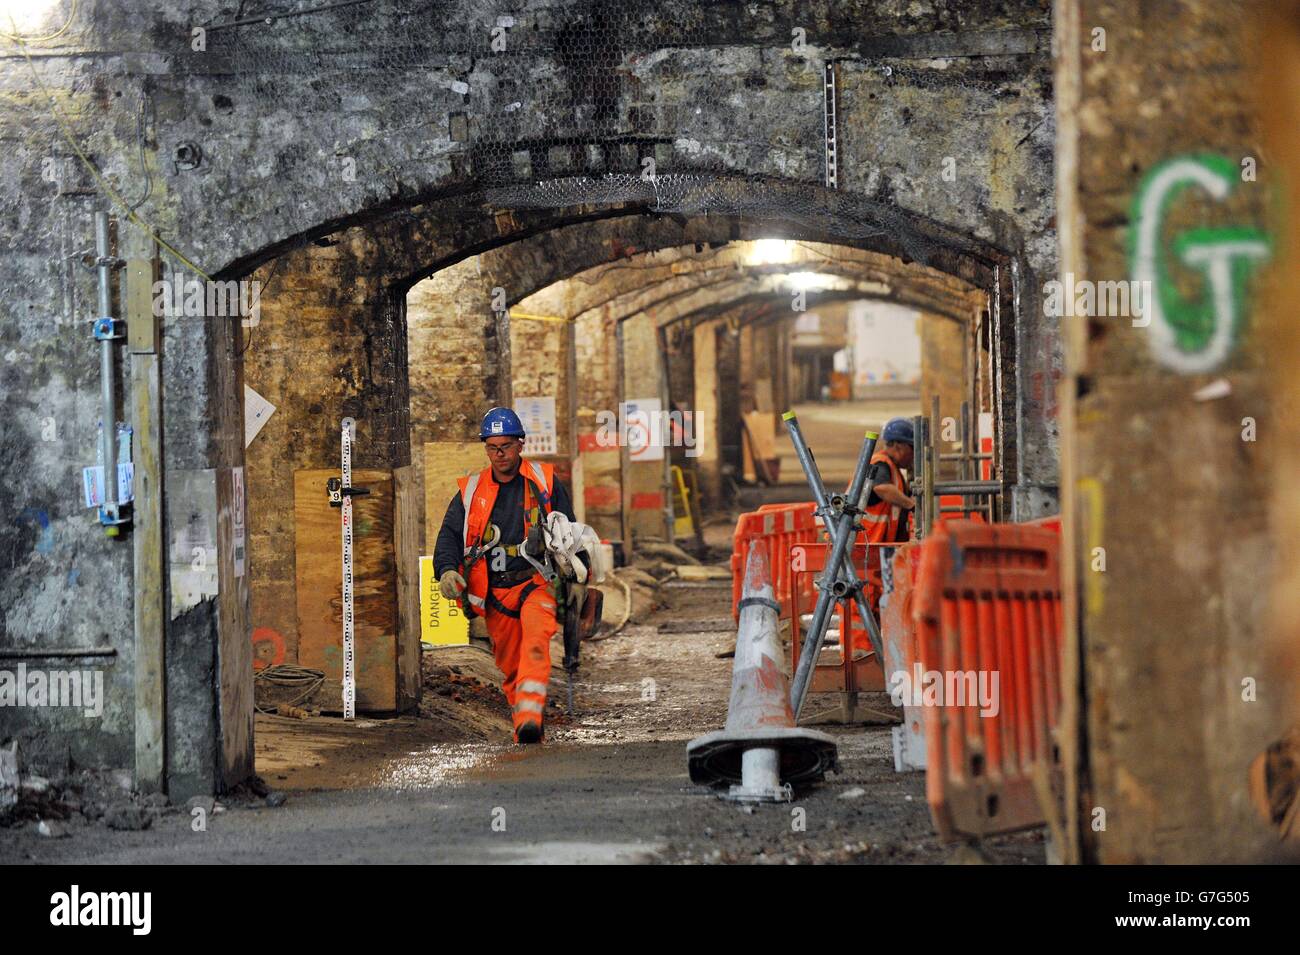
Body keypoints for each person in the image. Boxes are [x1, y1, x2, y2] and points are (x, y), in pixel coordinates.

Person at [433, 407, 576, 744]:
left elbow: (570, 531)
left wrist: (578, 577)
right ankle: (524, 730)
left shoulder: (544, 482)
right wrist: (447, 570)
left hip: (535, 581)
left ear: (520, 445)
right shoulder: (471, 491)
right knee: (511, 667)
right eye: (492, 447)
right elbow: (450, 535)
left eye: (506, 447)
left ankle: (530, 718)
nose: (499, 455)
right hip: (496, 593)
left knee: (537, 645)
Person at [862, 417, 916, 618]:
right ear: (900, 446)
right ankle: (859, 648)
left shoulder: (894, 470)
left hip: (876, 547)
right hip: (863, 545)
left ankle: (871, 646)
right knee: (864, 600)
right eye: (912, 448)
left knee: (876, 600)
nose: (913, 455)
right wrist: (911, 504)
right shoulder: (881, 464)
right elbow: (881, 488)